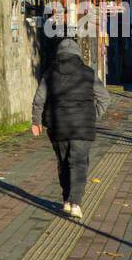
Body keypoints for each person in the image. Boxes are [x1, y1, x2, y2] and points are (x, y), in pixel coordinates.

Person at [30, 35, 111, 220]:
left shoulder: (49, 73)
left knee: (63, 162)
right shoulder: (89, 73)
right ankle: (75, 203)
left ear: (59, 54)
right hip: (82, 128)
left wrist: (36, 122)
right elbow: (105, 98)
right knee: (79, 164)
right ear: (77, 54)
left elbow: (39, 100)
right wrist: (92, 115)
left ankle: (67, 200)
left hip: (57, 126)